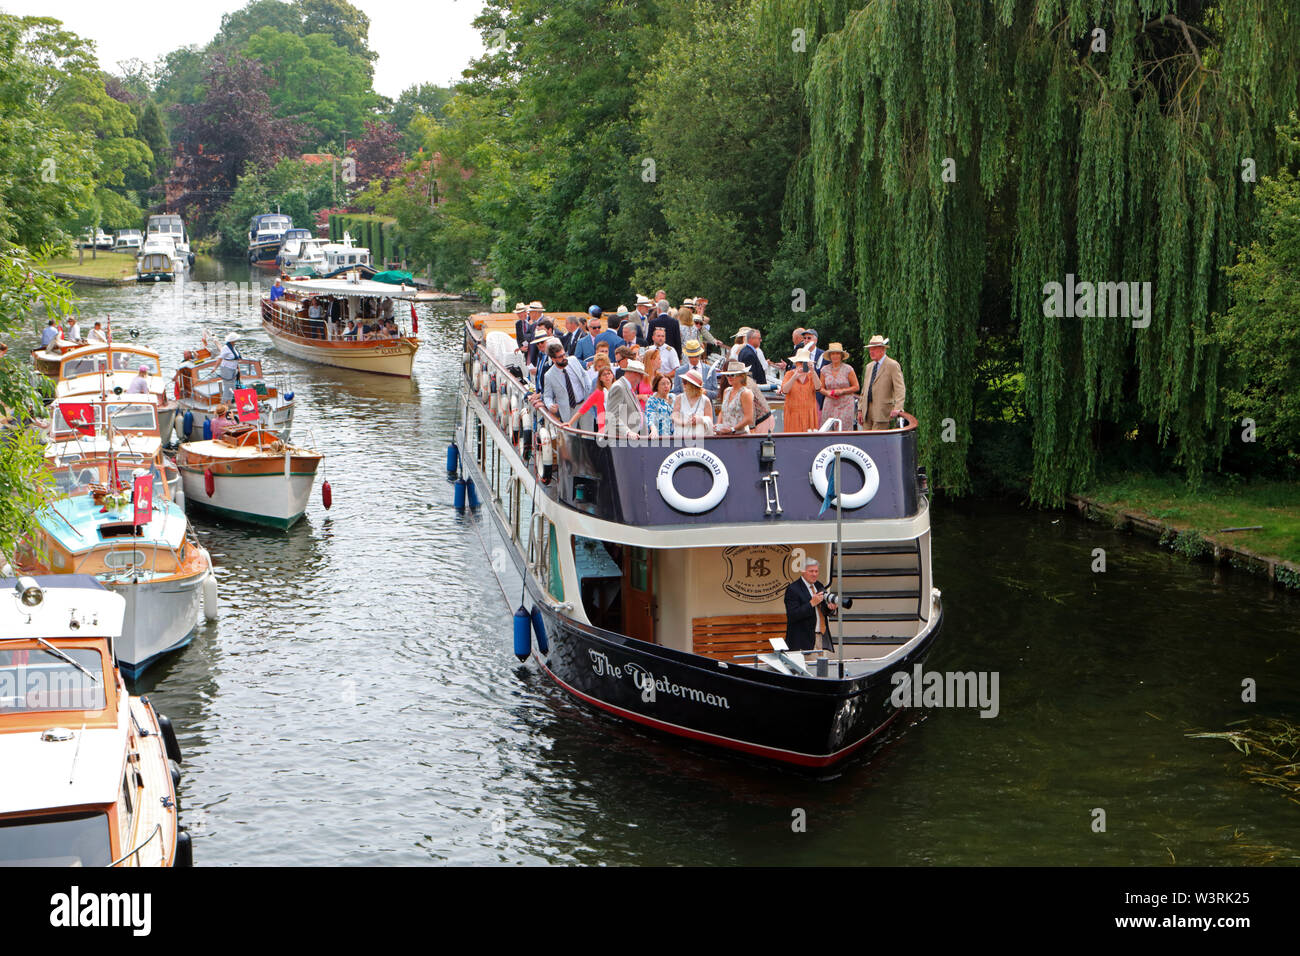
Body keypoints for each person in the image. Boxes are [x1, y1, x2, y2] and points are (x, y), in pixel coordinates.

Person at [783, 557, 840, 652]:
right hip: (802, 641)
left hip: (820, 637)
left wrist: (831, 608)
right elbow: (792, 616)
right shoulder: (793, 589)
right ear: (802, 571)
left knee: (820, 666)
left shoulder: (819, 585)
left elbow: (823, 610)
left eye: (816, 571)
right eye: (811, 571)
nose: (814, 574)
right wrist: (811, 604)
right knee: (809, 666)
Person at [857, 333, 905, 429]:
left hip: (882, 411)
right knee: (866, 441)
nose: (871, 352)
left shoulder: (892, 365)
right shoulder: (869, 366)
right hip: (867, 411)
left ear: (882, 349)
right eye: (870, 349)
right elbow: (864, 390)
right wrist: (860, 410)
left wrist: (898, 408)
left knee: (877, 441)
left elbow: (900, 388)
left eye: (874, 349)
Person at [541, 341, 592, 421]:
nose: (564, 358)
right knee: (571, 433)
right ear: (553, 359)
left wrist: (589, 392)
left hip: (585, 405)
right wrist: (550, 405)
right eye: (560, 357)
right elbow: (547, 396)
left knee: (588, 433)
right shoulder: (549, 376)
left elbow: (584, 375)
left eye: (564, 354)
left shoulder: (573, 360)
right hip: (568, 412)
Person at [819, 342, 858, 430]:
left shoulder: (848, 369)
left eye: (837, 353)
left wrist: (842, 391)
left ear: (841, 355)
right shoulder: (824, 370)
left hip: (846, 403)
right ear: (829, 356)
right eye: (833, 354)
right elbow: (820, 388)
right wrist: (827, 393)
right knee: (828, 427)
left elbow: (856, 386)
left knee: (844, 428)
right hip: (830, 402)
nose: (835, 356)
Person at [780, 347, 820, 432]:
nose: (801, 365)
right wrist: (794, 377)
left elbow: (818, 387)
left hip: (809, 414)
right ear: (796, 362)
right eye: (800, 362)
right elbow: (784, 390)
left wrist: (813, 371)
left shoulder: (811, 375)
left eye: (804, 362)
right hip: (793, 415)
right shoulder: (789, 374)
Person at [605, 359, 646, 439]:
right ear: (634, 373)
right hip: (621, 441)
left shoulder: (627, 387)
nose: (641, 379)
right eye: (641, 376)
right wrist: (628, 432)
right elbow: (612, 416)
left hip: (629, 440)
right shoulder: (619, 387)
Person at [568, 365, 615, 431]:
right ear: (600, 378)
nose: (607, 376)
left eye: (609, 373)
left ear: (612, 375)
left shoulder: (619, 389)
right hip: (604, 429)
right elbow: (583, 408)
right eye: (604, 374)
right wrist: (570, 423)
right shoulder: (598, 393)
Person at [672, 368, 714, 438]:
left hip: (700, 438)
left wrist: (699, 419)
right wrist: (684, 423)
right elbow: (674, 416)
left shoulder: (705, 400)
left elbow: (710, 420)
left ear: (693, 385)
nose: (683, 384)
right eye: (683, 381)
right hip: (681, 437)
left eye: (685, 382)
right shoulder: (679, 398)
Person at [716, 362, 755, 435]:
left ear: (742, 376)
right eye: (727, 375)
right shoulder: (726, 391)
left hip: (740, 436)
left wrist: (732, 429)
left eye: (732, 375)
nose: (729, 377)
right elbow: (722, 412)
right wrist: (718, 426)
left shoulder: (745, 393)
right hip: (724, 434)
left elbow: (749, 418)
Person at [645, 373, 675, 438]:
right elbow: (650, 418)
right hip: (659, 437)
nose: (666, 386)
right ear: (657, 386)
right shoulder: (652, 401)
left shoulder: (674, 397)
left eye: (668, 383)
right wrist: (653, 429)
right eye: (663, 384)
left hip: (674, 436)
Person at [217, 332, 242, 401]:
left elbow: (235, 359)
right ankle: (224, 403)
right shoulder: (225, 348)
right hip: (226, 368)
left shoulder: (233, 347)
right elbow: (220, 358)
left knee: (233, 386)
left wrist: (238, 367)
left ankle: (229, 402)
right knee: (227, 386)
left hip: (233, 368)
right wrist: (215, 368)